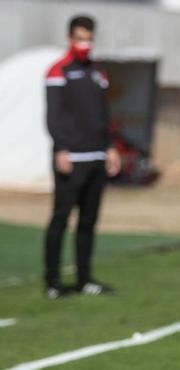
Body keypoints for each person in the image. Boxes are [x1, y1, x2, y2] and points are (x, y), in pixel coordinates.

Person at [44, 14, 121, 299]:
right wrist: (61, 148)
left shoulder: (98, 72)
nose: (84, 44)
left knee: (88, 221)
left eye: (89, 39)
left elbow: (104, 114)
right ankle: (53, 281)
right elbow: (53, 116)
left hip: (96, 156)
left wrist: (111, 146)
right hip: (71, 158)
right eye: (80, 38)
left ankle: (84, 278)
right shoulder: (58, 71)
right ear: (69, 39)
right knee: (61, 218)